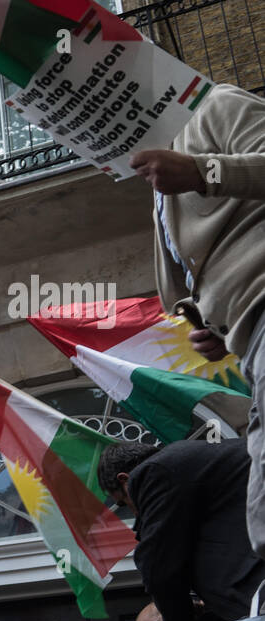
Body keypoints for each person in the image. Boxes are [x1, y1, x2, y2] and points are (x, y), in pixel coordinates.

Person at [131, 83, 265, 558]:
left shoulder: (218, 105)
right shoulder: (158, 191)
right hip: (251, 345)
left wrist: (202, 171)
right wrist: (216, 330)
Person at [98, 438, 263, 621]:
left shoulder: (153, 472)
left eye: (125, 503)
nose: (135, 513)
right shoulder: (201, 486)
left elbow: (158, 566)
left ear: (126, 480)